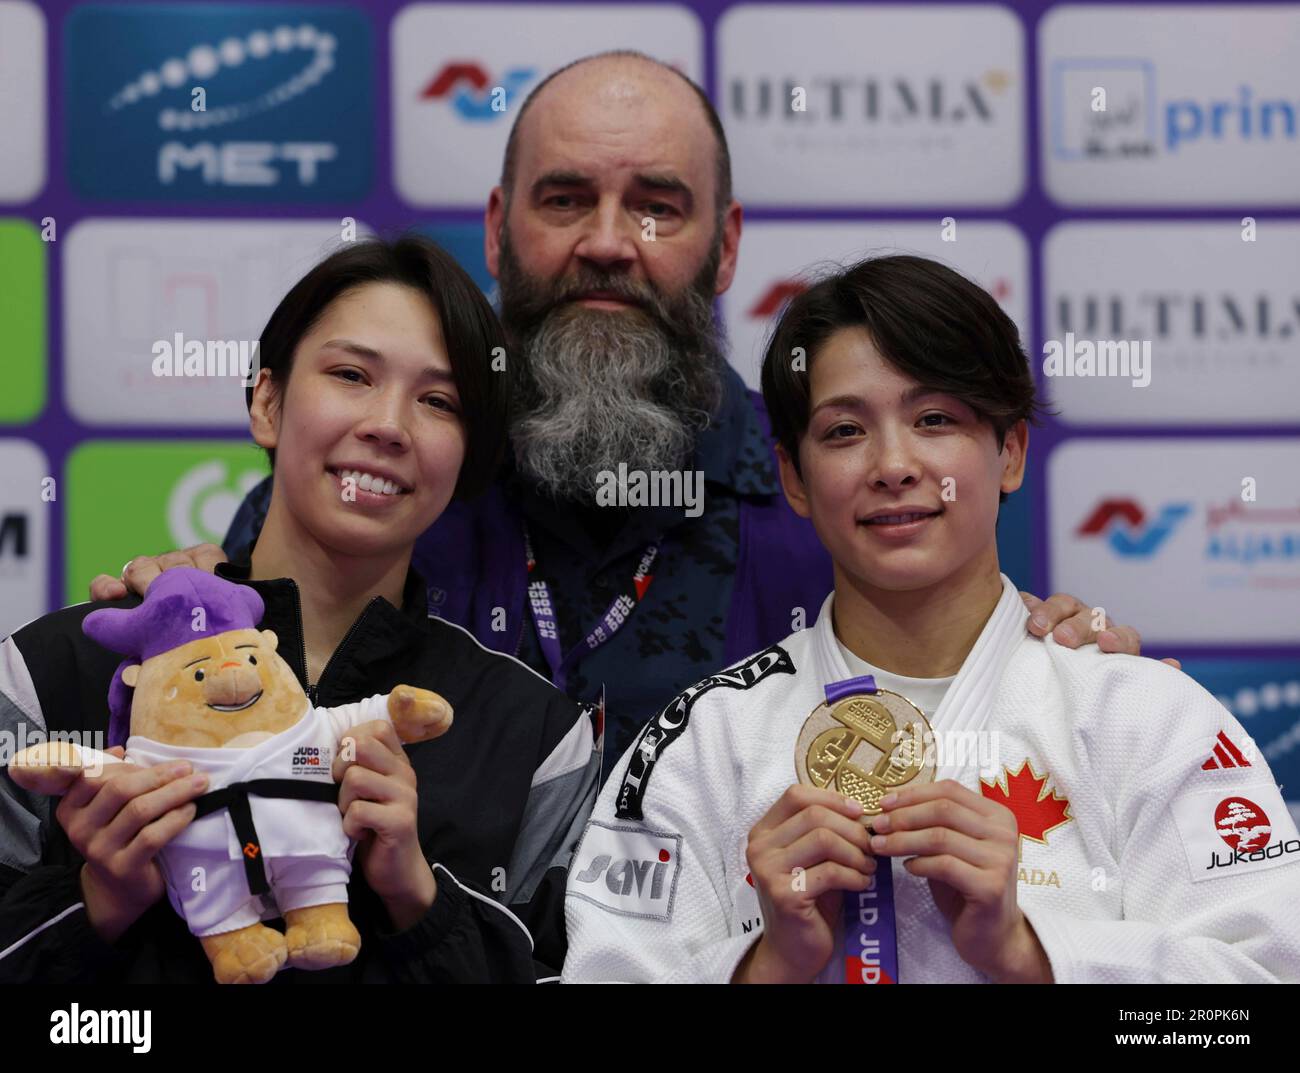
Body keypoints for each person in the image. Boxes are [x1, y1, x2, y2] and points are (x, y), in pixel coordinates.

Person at [94, 52, 1162, 766]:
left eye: (657, 206)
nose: (608, 242)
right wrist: (187, 602)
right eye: (566, 199)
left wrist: (1048, 665)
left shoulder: (835, 498)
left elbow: (973, 683)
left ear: (726, 245)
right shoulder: (381, 481)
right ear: (499, 231)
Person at [561, 254, 1300, 984]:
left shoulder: (1143, 718)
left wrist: (1031, 953)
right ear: (793, 477)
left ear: (1010, 452)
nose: (894, 464)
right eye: (844, 431)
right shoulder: (703, 744)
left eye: (935, 419)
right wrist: (765, 967)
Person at [0, 235, 598, 984]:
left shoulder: (535, 737)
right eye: (351, 375)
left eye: (438, 401)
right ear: (267, 403)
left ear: (467, 458)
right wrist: (97, 902)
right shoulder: (53, 672)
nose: (389, 425)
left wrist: (419, 902)